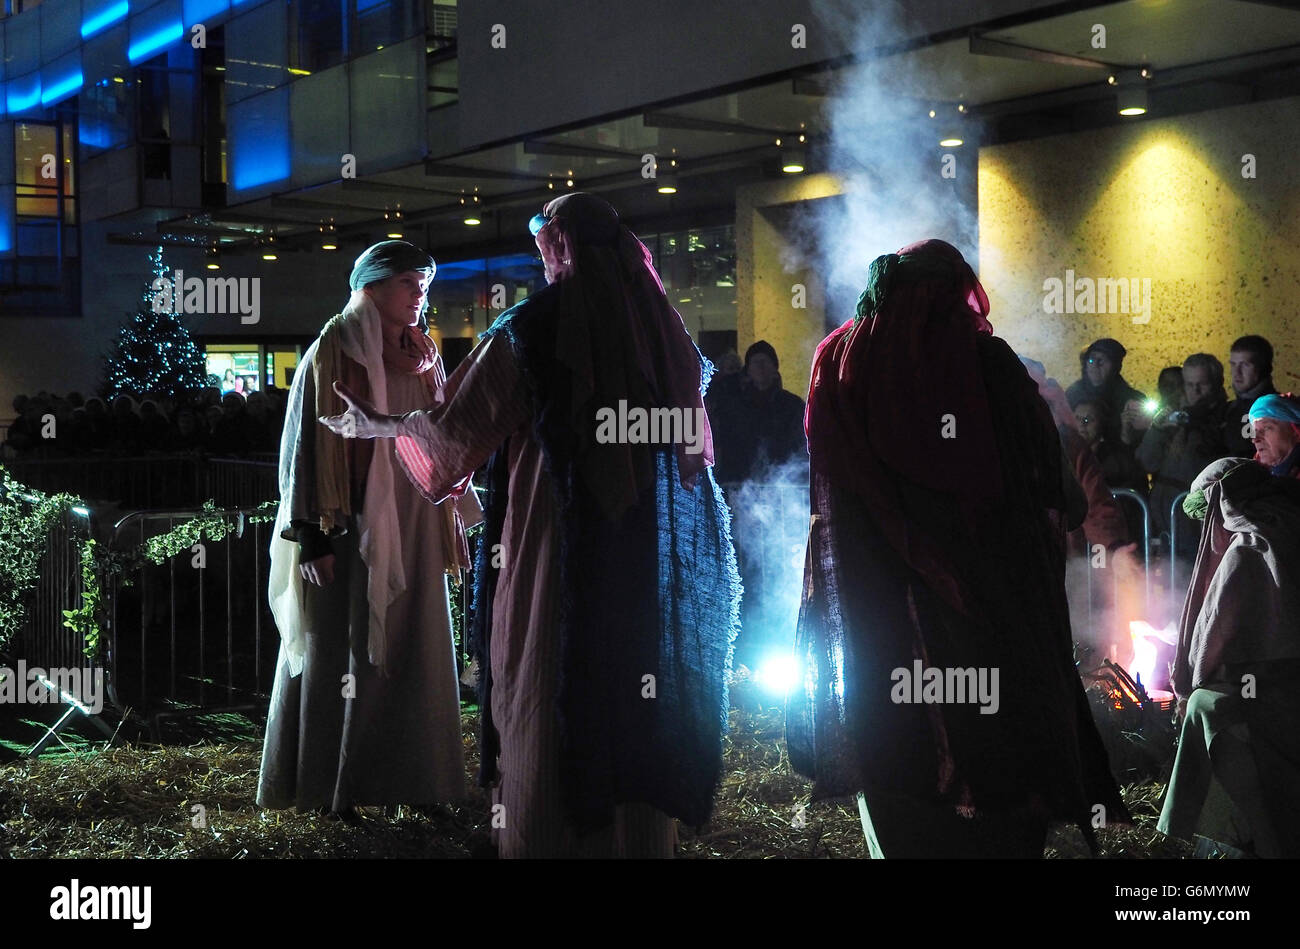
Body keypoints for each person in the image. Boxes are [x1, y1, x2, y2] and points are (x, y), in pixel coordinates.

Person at [321, 193, 740, 858]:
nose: (545, 263)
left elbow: (457, 433)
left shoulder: (535, 327)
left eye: (547, 247)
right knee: (633, 687)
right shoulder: (658, 327)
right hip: (640, 551)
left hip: (554, 542)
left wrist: (381, 424)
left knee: (546, 675)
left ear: (562, 246)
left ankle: (546, 835)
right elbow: (690, 444)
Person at [789, 240, 1129, 858]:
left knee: (893, 746)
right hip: (990, 607)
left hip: (876, 612)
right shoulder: (988, 364)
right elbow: (1060, 491)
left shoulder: (840, 361)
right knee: (999, 753)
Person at [257, 240, 478, 815]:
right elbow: (306, 447)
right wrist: (311, 535)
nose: (419, 294)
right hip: (352, 524)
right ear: (371, 286)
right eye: (408, 282)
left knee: (415, 647)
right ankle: (334, 788)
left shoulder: (424, 354)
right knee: (345, 650)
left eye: (424, 283)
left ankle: (416, 782)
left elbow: (441, 430)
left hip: (418, 521)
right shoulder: (334, 352)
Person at [1157, 456, 1300, 857]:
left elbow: (1211, 640)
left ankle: (1197, 835)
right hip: (1282, 686)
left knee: (1205, 708)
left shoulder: (1249, 546)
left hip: (1278, 701)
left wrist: (1188, 686)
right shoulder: (1288, 522)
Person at [1136, 353, 1230, 560]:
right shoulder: (1175, 417)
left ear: (1216, 383)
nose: (1195, 391)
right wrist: (1157, 429)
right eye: (1189, 384)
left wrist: (1198, 424)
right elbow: (1147, 462)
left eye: (1202, 384)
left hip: (1198, 524)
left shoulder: (1225, 418)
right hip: (1166, 521)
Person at [705, 340, 807, 485]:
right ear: (748, 370)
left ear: (774, 368)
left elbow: (800, 443)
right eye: (755, 362)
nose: (760, 366)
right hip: (740, 481)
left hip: (782, 480)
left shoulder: (792, 404)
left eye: (765, 361)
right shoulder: (735, 405)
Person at [1065, 338, 1146, 447]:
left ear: (1117, 367)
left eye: (1103, 360)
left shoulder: (1131, 400)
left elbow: (1142, 447)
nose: (1095, 364)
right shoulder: (1072, 394)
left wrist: (1126, 436)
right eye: (1091, 359)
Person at [1223, 336, 1277, 457]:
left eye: (1245, 365)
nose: (1236, 372)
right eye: (1233, 364)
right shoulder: (1226, 410)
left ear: (1264, 368)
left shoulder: (1277, 412)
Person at [1248, 393, 1300, 478]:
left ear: (1296, 431)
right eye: (1255, 430)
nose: (1255, 439)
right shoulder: (1253, 473)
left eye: (1266, 428)